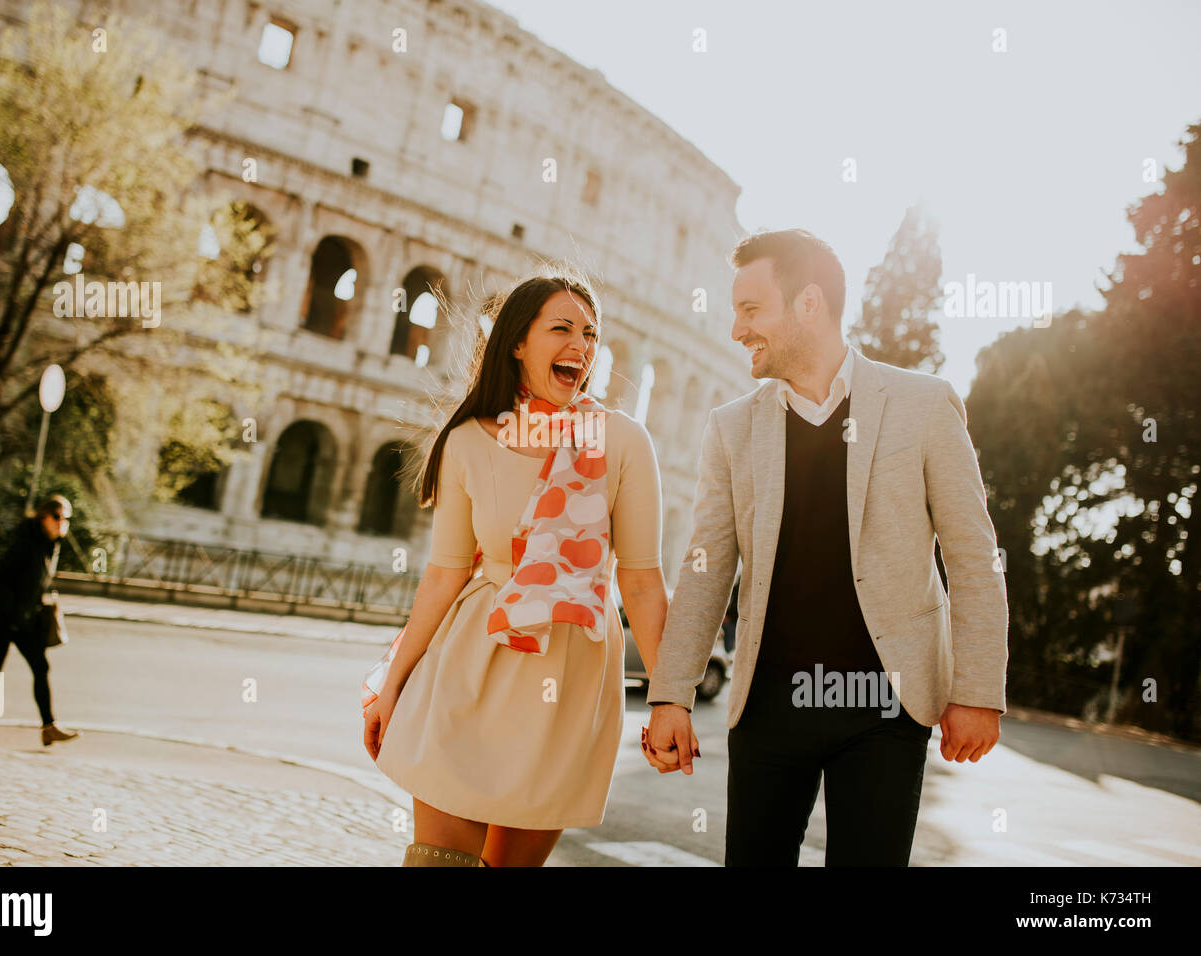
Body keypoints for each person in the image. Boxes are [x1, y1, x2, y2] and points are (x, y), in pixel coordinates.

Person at [644, 229, 1008, 866]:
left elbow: (974, 557)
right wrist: (671, 693)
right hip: (769, 707)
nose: (736, 330)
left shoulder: (924, 405)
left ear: (809, 304)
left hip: (885, 709)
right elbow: (705, 569)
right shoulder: (731, 428)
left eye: (751, 310)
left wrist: (976, 692)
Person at [363, 272, 667, 866]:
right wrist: (392, 682)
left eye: (590, 332)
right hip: (470, 661)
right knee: (437, 862)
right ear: (517, 343)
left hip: (570, 674)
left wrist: (669, 699)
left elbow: (640, 580)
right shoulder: (468, 442)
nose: (581, 344)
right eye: (562, 328)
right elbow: (444, 574)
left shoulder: (624, 442)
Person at [0, 494, 80, 748]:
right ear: (43, 517)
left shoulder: (51, 546)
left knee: (41, 668)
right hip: (1, 620)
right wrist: (13, 612)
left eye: (66, 518)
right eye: (58, 517)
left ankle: (49, 727)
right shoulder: (27, 543)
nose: (62, 523)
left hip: (24, 621)